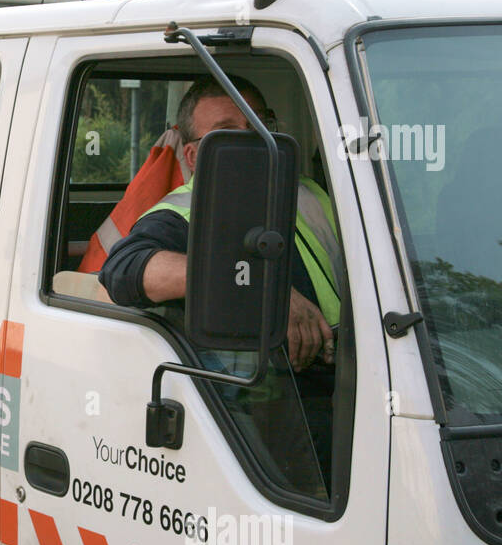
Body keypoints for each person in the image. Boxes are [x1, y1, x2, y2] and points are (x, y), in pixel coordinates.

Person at [99, 75, 341, 373]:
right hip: (256, 393)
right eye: (227, 133)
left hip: (354, 365)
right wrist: (265, 290)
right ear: (193, 156)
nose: (252, 142)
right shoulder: (179, 212)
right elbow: (123, 270)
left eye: (258, 127)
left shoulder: (307, 191)